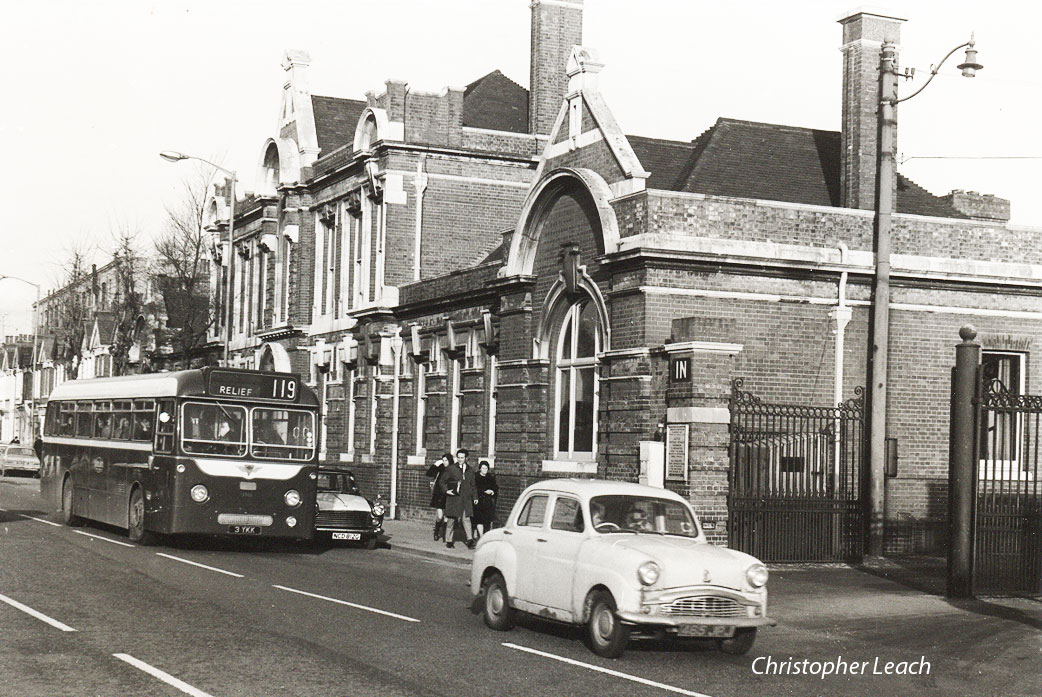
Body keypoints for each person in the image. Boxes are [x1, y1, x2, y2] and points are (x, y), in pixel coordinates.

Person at [441, 448, 477, 549]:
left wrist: (475, 497)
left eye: (462, 457)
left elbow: (473, 485)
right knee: (451, 520)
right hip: (454, 498)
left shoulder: (470, 470)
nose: (460, 459)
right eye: (459, 457)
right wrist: (446, 491)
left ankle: (470, 541)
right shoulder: (451, 469)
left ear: (466, 458)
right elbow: (442, 481)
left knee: (467, 519)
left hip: (466, 499)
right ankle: (449, 540)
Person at [426, 453, 452, 541]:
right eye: (443, 460)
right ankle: (436, 531)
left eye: (446, 461)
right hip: (439, 494)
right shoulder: (440, 467)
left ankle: (444, 535)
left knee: (446, 517)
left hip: (448, 494)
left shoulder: (453, 469)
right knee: (440, 516)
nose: (444, 462)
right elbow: (429, 473)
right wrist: (435, 464)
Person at [472, 460, 499, 538]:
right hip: (478, 501)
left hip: (488, 502)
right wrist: (484, 491)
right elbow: (474, 488)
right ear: (480, 468)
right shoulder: (476, 477)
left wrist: (492, 491)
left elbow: (495, 487)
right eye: (483, 468)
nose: (485, 470)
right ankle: (481, 535)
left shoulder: (490, 477)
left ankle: (482, 534)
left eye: (486, 468)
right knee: (479, 519)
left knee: (486, 520)